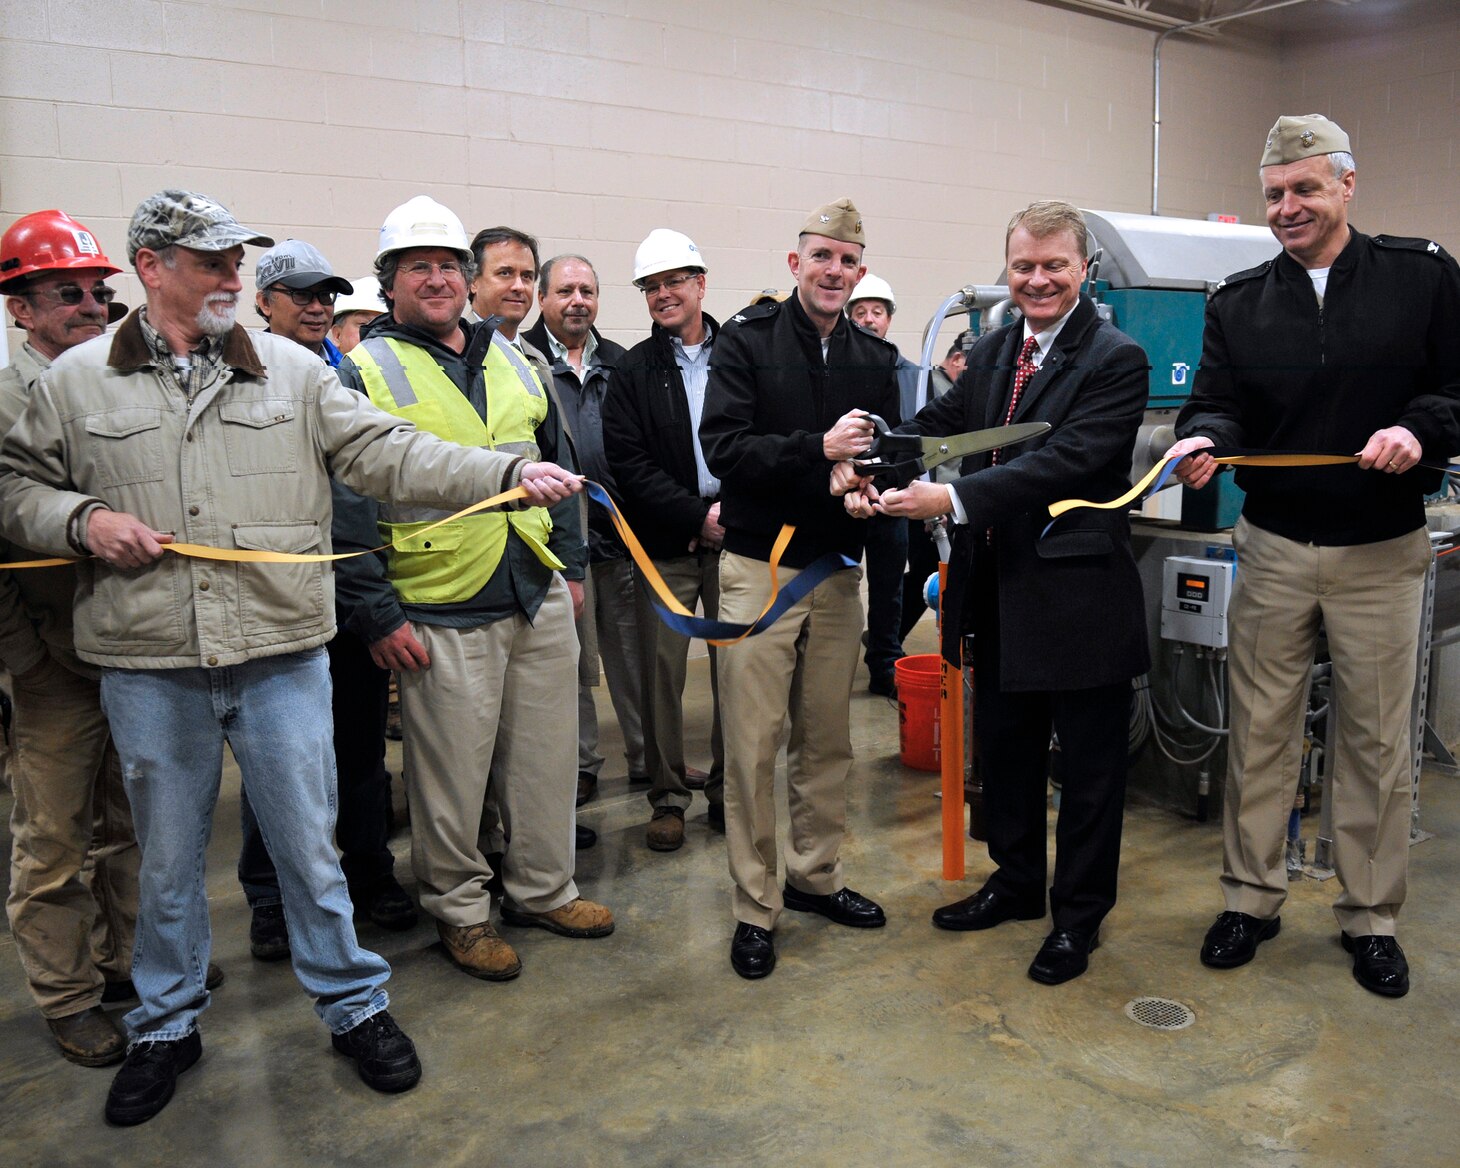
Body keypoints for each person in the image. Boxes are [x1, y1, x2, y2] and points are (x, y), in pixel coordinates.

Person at [0, 189, 584, 1124]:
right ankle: (164, 1023)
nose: (234, 276)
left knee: (310, 848)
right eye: (210, 261)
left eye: (239, 260)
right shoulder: (75, 382)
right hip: (151, 662)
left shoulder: (294, 372)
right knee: (167, 859)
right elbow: (12, 489)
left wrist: (504, 472)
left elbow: (391, 454)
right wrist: (81, 520)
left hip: (278, 651)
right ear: (150, 267)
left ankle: (354, 1006)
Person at [1167, 114, 1460, 999]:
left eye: (1303, 189)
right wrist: (1204, 439)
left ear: (1346, 185)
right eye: (1273, 195)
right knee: (1261, 733)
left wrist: (1420, 428)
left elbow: (1454, 388)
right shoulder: (1239, 300)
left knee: (1376, 741)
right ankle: (1250, 899)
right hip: (1277, 546)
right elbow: (1215, 404)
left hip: (1382, 548)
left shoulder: (1424, 279)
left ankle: (1370, 917)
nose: (1287, 208)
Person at [841, 200, 1150, 986]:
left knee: (1087, 771)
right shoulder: (994, 350)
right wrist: (870, 454)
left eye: (1054, 266)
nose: (1038, 280)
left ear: (1083, 271)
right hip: (1001, 590)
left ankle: (1077, 919)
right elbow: (940, 426)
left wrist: (952, 501)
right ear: (1006, 272)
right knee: (1006, 753)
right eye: (1024, 267)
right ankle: (1016, 884)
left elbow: (1069, 462)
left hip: (1077, 596)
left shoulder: (1114, 358)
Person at [335, 197, 612, 987]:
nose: (437, 278)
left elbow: (558, 466)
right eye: (418, 266)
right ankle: (461, 911)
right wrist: (376, 611)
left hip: (534, 589)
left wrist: (570, 569)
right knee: (451, 780)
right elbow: (345, 504)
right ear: (389, 283)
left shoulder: (516, 359)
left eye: (448, 266)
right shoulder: (366, 369)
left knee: (545, 762)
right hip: (438, 600)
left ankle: (543, 889)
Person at [700, 197, 899, 979]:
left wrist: (864, 482)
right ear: (795, 264)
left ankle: (815, 878)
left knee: (827, 741)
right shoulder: (747, 344)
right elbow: (725, 449)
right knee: (753, 748)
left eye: (848, 261)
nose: (834, 272)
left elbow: (885, 454)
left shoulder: (875, 360)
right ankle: (756, 907)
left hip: (836, 574)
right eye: (822, 257)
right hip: (759, 569)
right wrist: (817, 451)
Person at [239, 240, 416, 965]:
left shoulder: (347, 377)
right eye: (300, 293)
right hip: (279, 602)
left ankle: (369, 870)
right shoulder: (243, 379)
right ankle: (271, 898)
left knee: (360, 747)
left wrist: (373, 602)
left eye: (326, 294)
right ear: (264, 302)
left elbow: (364, 495)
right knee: (276, 759)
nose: (317, 305)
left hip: (351, 595)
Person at [0, 209, 144, 1067]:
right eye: (66, 294)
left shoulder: (114, 380)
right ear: (19, 307)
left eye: (99, 291)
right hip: (49, 657)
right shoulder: (6, 398)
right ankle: (68, 997)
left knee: (128, 821)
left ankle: (125, 963)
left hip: (126, 643)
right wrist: (24, 658)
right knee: (53, 837)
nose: (90, 306)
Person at [467, 225, 598, 852]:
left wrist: (570, 569)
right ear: (473, 284)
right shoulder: (451, 360)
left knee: (535, 727)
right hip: (461, 578)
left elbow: (562, 470)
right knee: (475, 734)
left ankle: (534, 851)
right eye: (503, 274)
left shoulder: (531, 365)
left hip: (534, 569)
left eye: (526, 275)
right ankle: (488, 844)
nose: (518, 286)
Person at [604, 228, 726, 852]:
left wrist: (732, 513)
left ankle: (729, 792)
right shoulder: (631, 370)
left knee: (739, 670)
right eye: (650, 286)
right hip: (667, 544)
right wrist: (692, 517)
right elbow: (629, 464)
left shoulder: (743, 354)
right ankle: (668, 797)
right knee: (661, 677)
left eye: (674, 281)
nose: (662, 294)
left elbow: (764, 437)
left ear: (701, 283)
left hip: (738, 538)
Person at [524, 257, 647, 804]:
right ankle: (582, 765)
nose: (578, 300)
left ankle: (648, 756)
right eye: (566, 290)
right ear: (543, 299)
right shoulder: (520, 361)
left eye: (588, 291)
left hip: (618, 540)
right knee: (570, 665)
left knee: (631, 655)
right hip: (555, 543)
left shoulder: (621, 364)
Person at [846, 273, 919, 694]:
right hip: (845, 495)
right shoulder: (835, 368)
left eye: (877, 312)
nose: (869, 319)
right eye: (860, 312)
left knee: (890, 585)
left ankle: (884, 661)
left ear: (889, 319)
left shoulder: (910, 373)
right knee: (838, 583)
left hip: (892, 495)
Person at [901, 329, 975, 639]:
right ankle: (890, 638)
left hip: (950, 500)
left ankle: (888, 637)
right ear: (957, 359)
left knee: (930, 569)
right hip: (931, 501)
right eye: (972, 370)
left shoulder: (944, 387)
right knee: (927, 571)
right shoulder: (933, 388)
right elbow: (930, 451)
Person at [328, 277, 383, 355]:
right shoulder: (314, 366)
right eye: (363, 324)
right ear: (337, 335)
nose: (376, 333)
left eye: (384, 325)